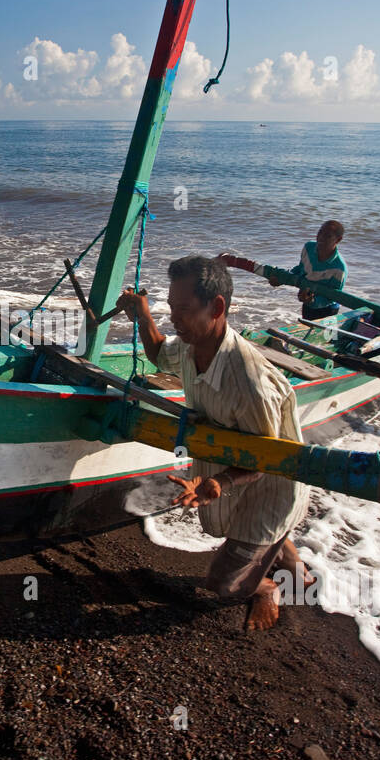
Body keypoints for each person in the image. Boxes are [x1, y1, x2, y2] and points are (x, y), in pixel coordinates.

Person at [116, 256, 311, 630]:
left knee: (223, 583)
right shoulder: (194, 345)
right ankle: (298, 575)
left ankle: (265, 588)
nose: (175, 318)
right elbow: (160, 355)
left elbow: (265, 459)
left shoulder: (248, 382)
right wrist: (143, 316)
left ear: (217, 307)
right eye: (171, 307)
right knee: (267, 536)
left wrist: (218, 483)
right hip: (235, 479)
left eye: (184, 309)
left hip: (271, 487)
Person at [270, 219, 347, 320]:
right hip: (307, 300)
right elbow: (300, 269)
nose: (321, 237)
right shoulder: (308, 247)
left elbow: (332, 298)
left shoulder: (339, 268)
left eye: (328, 236)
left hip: (328, 309)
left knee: (319, 334)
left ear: (338, 240)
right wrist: (281, 279)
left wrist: (312, 301)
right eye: (320, 232)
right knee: (305, 327)